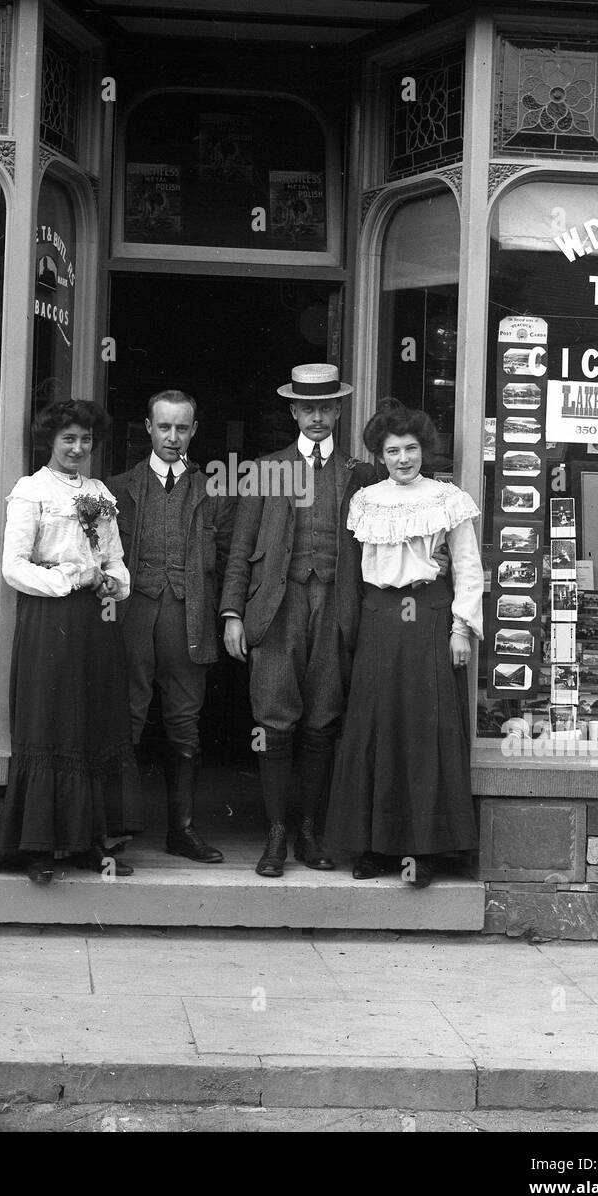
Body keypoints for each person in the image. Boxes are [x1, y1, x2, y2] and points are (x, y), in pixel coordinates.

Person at [220, 363, 376, 877]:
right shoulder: (266, 469)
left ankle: (310, 831)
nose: (317, 416)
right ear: (293, 410)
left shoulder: (361, 474)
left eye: (326, 407)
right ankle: (276, 834)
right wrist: (232, 614)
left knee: (322, 721)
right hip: (276, 609)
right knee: (274, 720)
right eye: (307, 407)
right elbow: (240, 549)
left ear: (338, 410)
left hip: (335, 606)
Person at [323, 399, 482, 888]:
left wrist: (461, 628)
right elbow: (355, 571)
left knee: (423, 730)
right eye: (393, 450)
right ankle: (374, 845)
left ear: (423, 450)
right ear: (380, 454)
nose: (403, 458)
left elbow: (468, 567)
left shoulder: (447, 498)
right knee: (376, 726)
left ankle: (422, 850)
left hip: (430, 617)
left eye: (411, 448)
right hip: (380, 618)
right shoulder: (366, 500)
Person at [0, 398, 143, 884]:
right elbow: (13, 566)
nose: (78, 448)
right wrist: (66, 580)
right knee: (51, 720)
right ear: (51, 441)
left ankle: (88, 843)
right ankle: (39, 848)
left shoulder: (99, 492)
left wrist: (112, 582)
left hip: (97, 623)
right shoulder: (31, 490)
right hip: (50, 617)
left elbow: (115, 558)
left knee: (93, 721)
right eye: (68, 440)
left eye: (85, 440)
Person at [108, 390, 234, 863]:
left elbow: (227, 559)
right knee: (128, 717)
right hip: (133, 614)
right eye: (164, 427)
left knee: (185, 724)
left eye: (182, 428)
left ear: (194, 430)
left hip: (190, 616)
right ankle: (117, 830)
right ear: (148, 427)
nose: (173, 437)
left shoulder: (213, 490)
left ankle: (182, 830)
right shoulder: (118, 487)